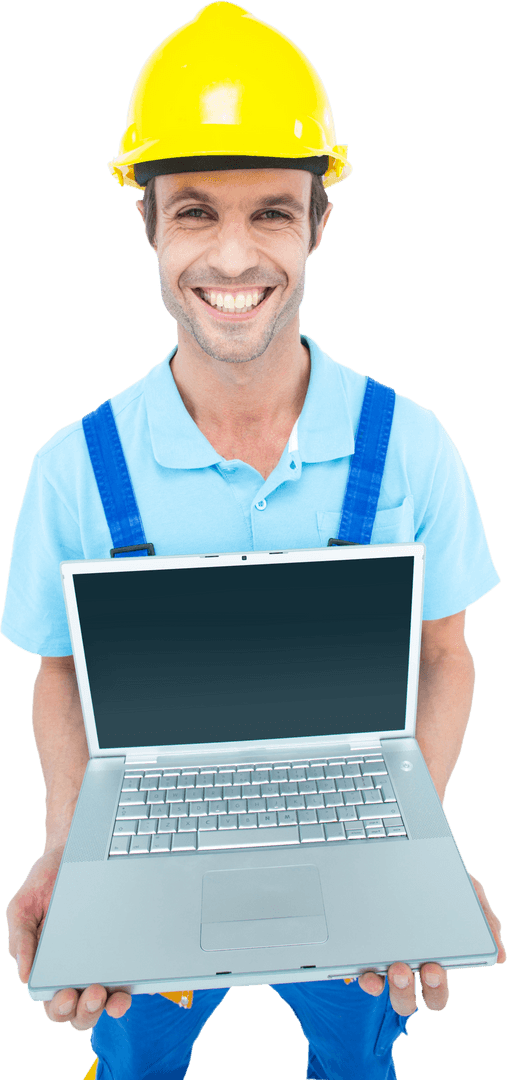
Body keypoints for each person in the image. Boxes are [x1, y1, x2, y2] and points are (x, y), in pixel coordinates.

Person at [3, 3, 504, 1079]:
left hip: (347, 828)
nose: (232, 257)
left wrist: (410, 832)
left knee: (358, 1056)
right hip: (151, 837)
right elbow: (58, 672)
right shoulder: (73, 469)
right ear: (148, 223)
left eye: (272, 212)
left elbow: (447, 654)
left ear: (319, 222)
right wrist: (66, 846)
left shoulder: (411, 447)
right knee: (133, 1059)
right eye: (195, 213)